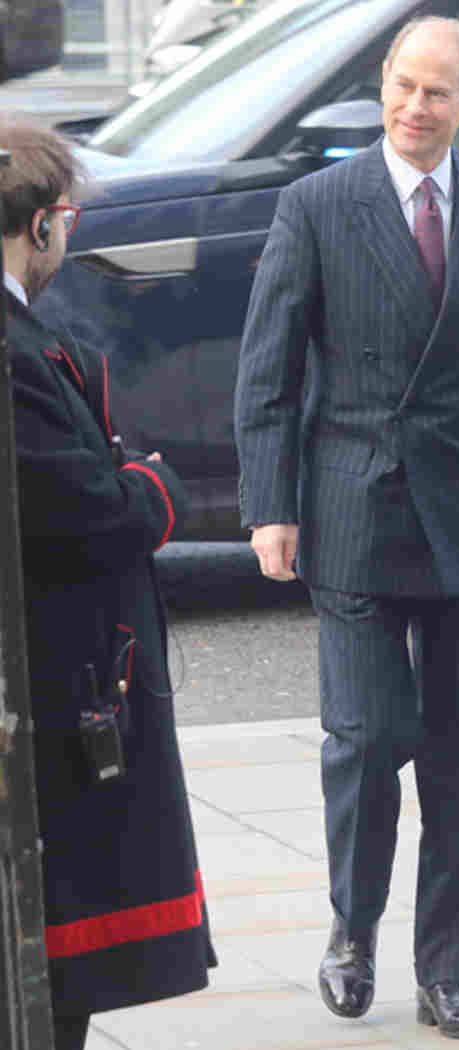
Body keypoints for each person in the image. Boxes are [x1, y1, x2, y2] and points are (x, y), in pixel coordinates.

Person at [234, 15, 459, 1040]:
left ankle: (449, 972)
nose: (414, 107)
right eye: (401, 85)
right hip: (354, 502)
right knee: (366, 735)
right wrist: (270, 505)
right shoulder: (317, 206)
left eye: (437, 91)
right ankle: (352, 930)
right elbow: (269, 368)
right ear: (382, 87)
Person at [2, 119, 215, 1050]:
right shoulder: (14, 353)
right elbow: (90, 510)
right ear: (43, 224)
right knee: (52, 963)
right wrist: (154, 486)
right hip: (50, 687)